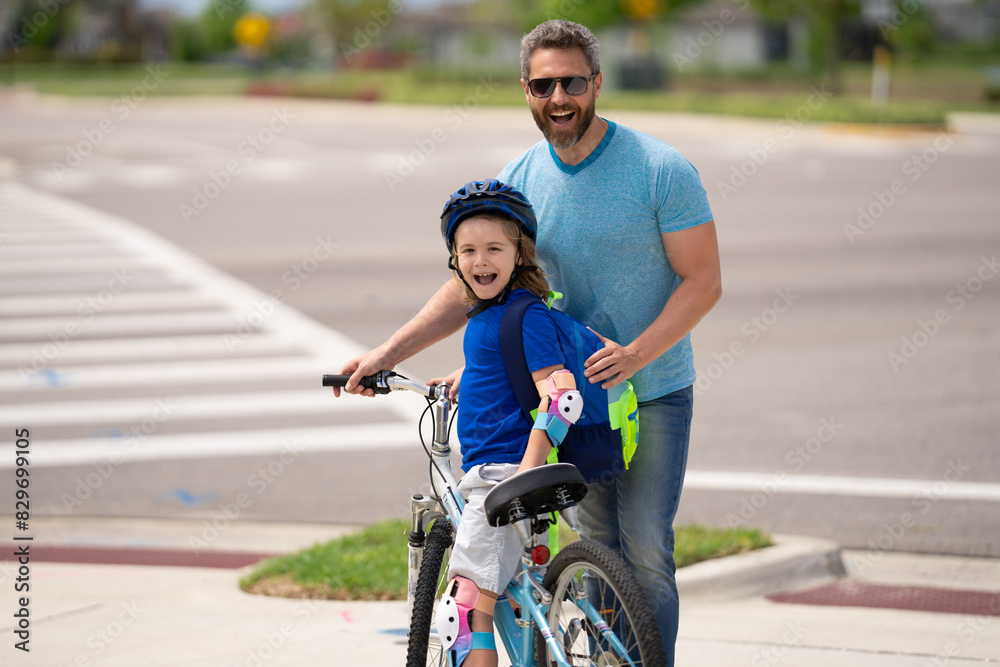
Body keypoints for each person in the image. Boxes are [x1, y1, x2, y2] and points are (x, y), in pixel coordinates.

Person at [337, 20, 721, 664]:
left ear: (596, 82)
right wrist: (386, 356)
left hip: (649, 390)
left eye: (572, 81)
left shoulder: (660, 169)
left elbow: (703, 282)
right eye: (544, 85)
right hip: (569, 402)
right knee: (593, 552)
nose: (559, 97)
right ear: (527, 90)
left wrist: (634, 355)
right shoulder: (518, 179)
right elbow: (476, 286)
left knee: (647, 551)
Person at [428, 178, 580, 667]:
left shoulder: (525, 315)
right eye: (468, 250)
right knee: (515, 602)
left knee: (465, 607)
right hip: (503, 477)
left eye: (494, 248)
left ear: (520, 254)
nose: (480, 261)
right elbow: (505, 361)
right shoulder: (490, 317)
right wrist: (468, 374)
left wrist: (524, 474)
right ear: (454, 259)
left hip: (503, 478)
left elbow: (562, 400)